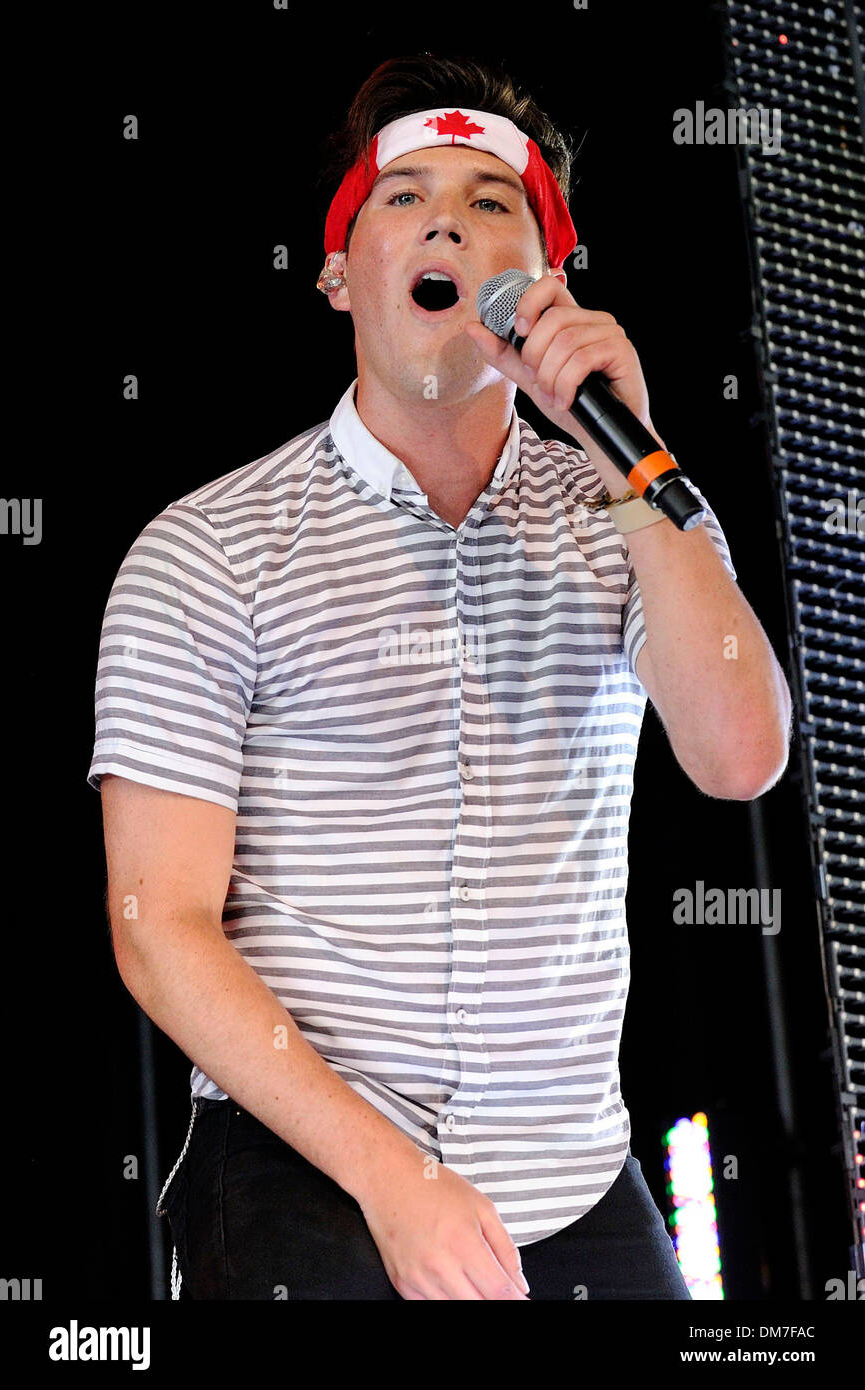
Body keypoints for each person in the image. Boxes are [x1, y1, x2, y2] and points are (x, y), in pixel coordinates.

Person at [88, 52, 792, 1301]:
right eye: (403, 196)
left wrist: (634, 469)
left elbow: (739, 755)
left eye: (488, 201)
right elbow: (160, 929)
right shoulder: (207, 547)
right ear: (334, 268)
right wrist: (388, 1176)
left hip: (570, 1169)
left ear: (545, 278)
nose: (447, 224)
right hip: (304, 1158)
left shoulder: (634, 509)